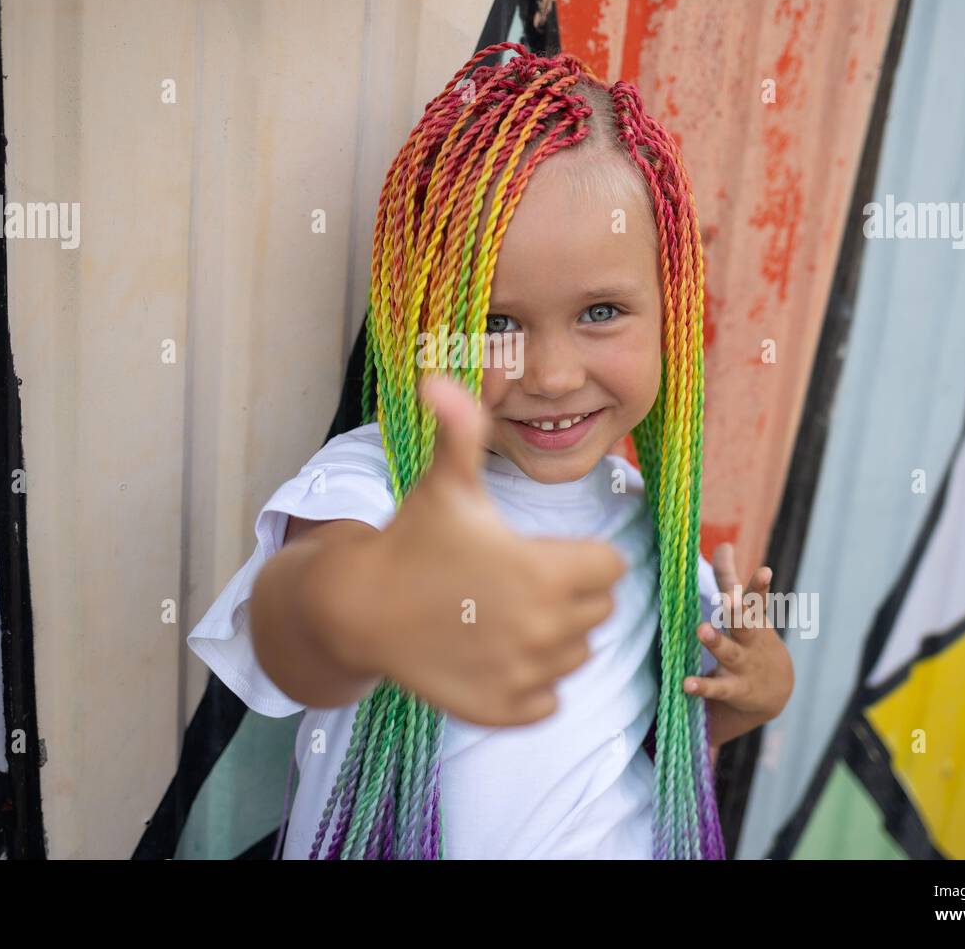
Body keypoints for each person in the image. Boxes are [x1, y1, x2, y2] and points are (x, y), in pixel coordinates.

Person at [188, 43, 794, 860]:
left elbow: (692, 720)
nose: (549, 374)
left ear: (672, 313)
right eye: (495, 325)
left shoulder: (642, 518)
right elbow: (295, 629)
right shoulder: (377, 485)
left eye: (602, 312)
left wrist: (760, 685)